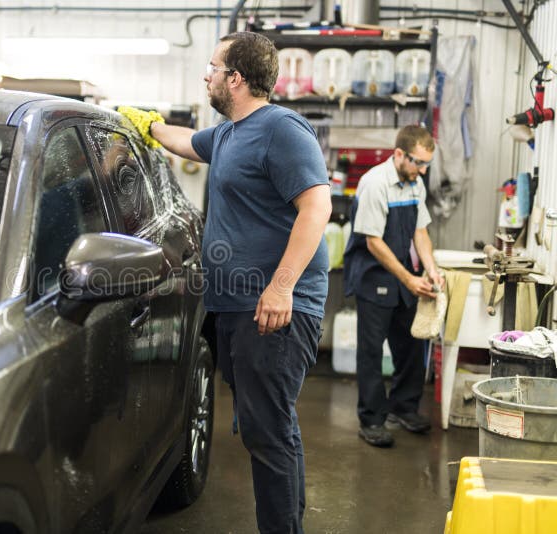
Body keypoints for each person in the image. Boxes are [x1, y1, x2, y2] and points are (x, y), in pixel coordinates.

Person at [120, 31, 331, 534]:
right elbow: (183, 142)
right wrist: (146, 125)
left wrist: (281, 287)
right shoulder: (228, 133)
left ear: (235, 78)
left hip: (276, 306)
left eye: (212, 67)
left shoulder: (281, 130)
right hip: (237, 305)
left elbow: (316, 205)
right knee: (270, 427)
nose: (206, 75)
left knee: (268, 432)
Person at [342, 125, 444, 448]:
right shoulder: (374, 184)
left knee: (411, 344)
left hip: (402, 271)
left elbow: (420, 232)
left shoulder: (415, 183)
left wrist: (431, 269)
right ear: (399, 154)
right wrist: (410, 279)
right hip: (373, 273)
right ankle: (371, 420)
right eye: (418, 162)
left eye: (427, 164)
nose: (423, 170)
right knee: (371, 352)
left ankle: (404, 407)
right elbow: (374, 243)